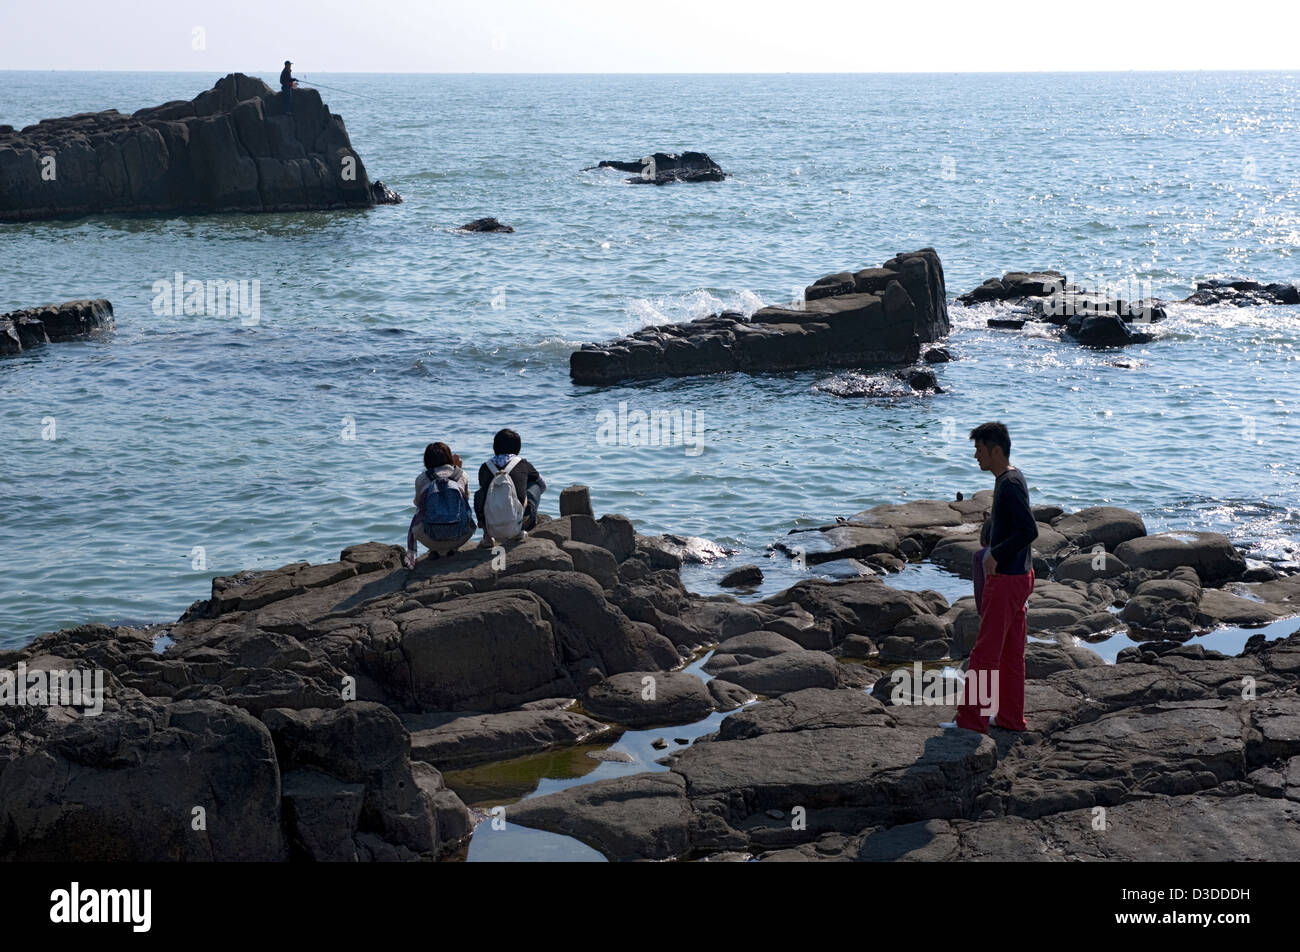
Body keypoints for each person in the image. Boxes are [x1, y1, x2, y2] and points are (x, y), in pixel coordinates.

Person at [953, 421, 1038, 734]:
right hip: (1020, 577)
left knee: (985, 654)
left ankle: (971, 722)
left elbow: (1029, 530)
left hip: (1006, 580)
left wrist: (995, 553)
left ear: (996, 451)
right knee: (1011, 654)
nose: (976, 456)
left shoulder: (1010, 484)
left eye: (979, 450)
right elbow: (1018, 527)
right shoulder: (1009, 478)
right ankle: (1010, 718)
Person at [404, 442, 475, 569]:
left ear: (426, 461)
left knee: (419, 513)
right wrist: (458, 469)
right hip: (461, 535)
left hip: (430, 538)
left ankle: (434, 549)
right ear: (449, 457)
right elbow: (466, 500)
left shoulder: (421, 478)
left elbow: (417, 503)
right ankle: (452, 548)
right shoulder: (462, 474)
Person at [474, 428, 546, 544]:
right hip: (516, 523)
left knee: (480, 493)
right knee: (535, 485)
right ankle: (521, 528)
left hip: (492, 525)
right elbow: (543, 486)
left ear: (495, 447)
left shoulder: (485, 467)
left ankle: (487, 536)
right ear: (517, 447)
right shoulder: (523, 464)